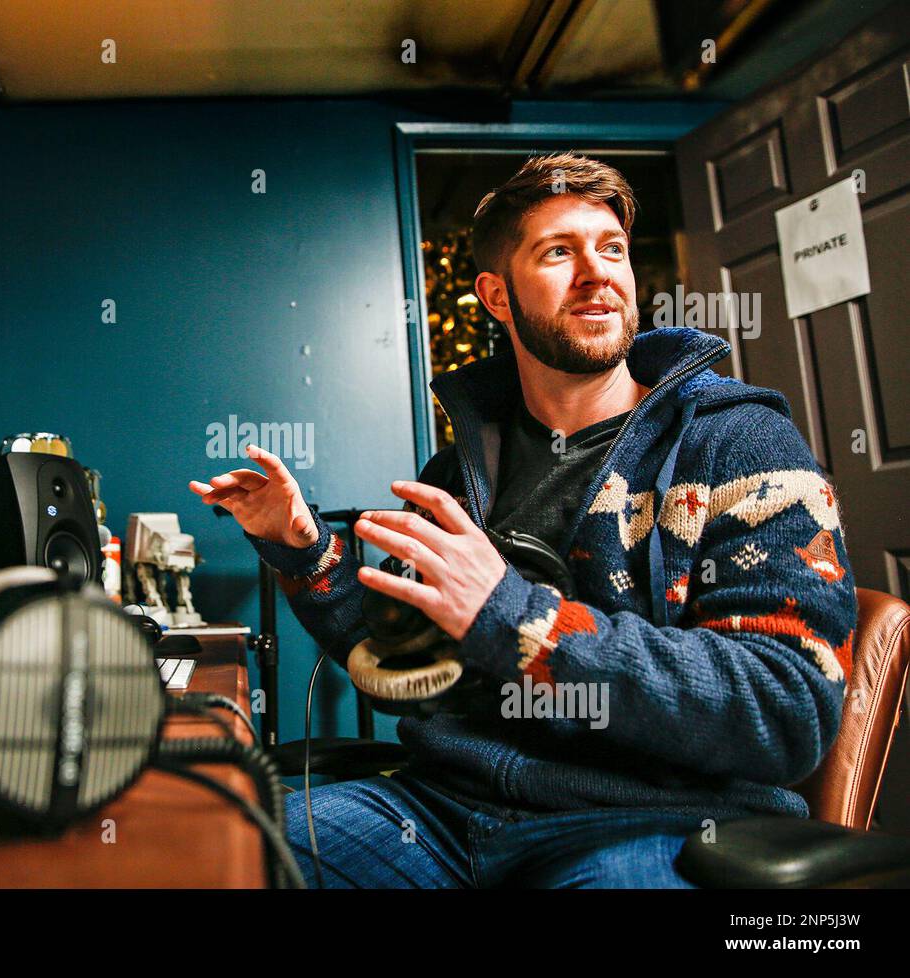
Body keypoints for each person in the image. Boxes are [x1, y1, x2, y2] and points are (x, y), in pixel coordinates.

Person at [189, 153, 857, 888]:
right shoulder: (468, 473)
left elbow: (786, 705)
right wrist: (303, 549)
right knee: (199, 849)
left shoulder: (737, 444)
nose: (598, 272)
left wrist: (516, 618)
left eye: (611, 249)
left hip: (649, 822)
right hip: (444, 811)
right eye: (558, 252)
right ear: (496, 295)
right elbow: (406, 675)